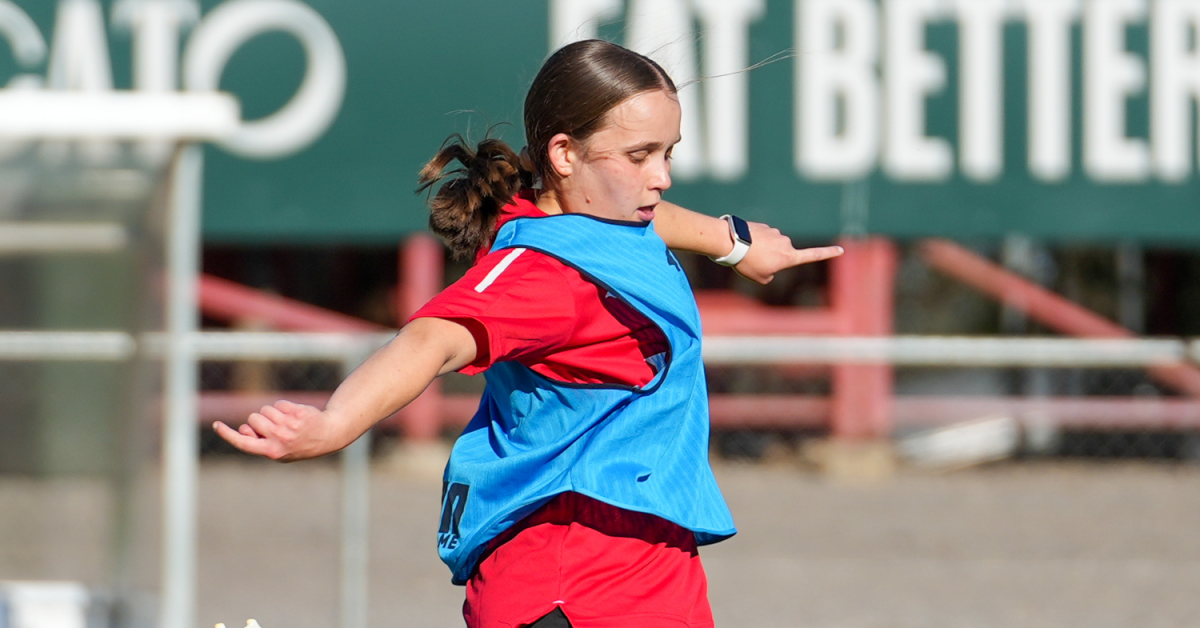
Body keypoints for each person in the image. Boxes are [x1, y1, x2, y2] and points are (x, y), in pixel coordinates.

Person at [214, 39, 842, 628]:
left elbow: (654, 222)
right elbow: (431, 339)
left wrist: (734, 244)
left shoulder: (607, 214)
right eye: (638, 156)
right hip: (572, 579)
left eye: (667, 152)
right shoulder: (543, 277)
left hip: (646, 564)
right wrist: (335, 424)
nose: (662, 176)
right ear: (564, 155)